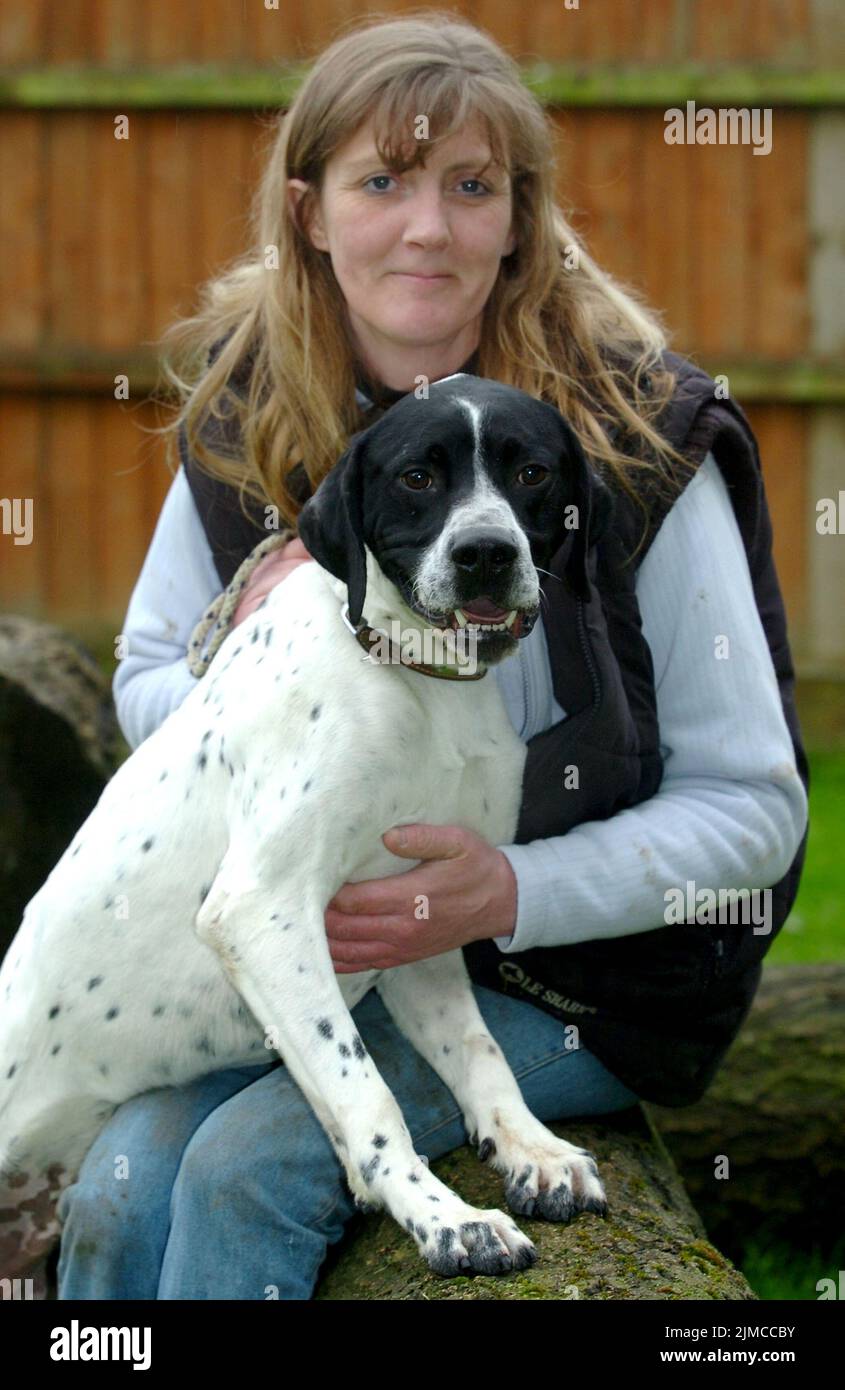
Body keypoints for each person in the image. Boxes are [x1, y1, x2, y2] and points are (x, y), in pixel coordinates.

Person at [55, 12, 808, 1300]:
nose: (427, 229)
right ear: (309, 210)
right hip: (322, 949)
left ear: (522, 218)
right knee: (123, 1179)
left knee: (243, 1174)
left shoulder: (641, 435)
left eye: (471, 186)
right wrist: (260, 655)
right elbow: (145, 692)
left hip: (592, 979)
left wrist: (505, 891)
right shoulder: (247, 414)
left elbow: (756, 813)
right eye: (382, 181)